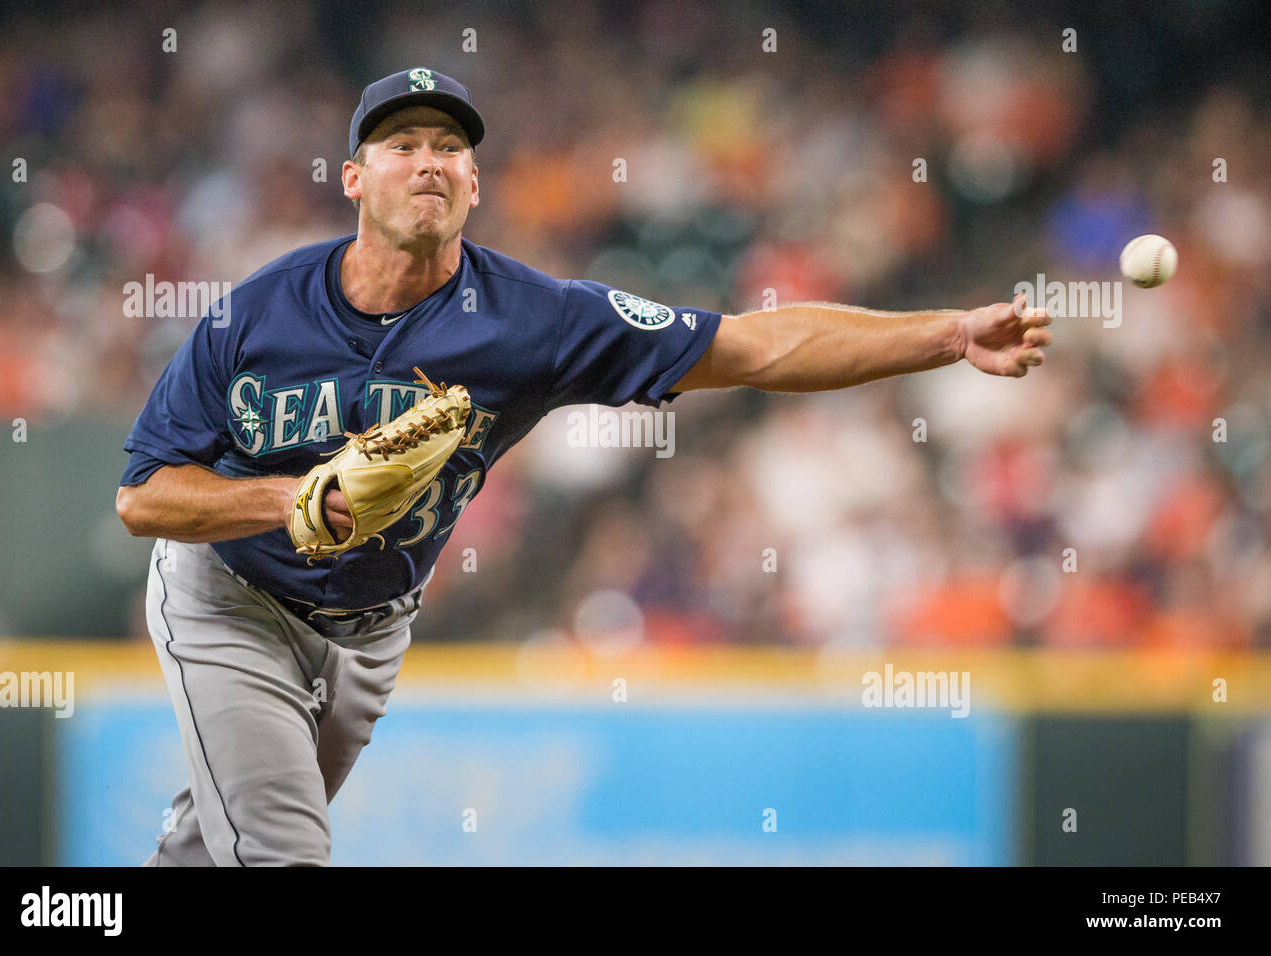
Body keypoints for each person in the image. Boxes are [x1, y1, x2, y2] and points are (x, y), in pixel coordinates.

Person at [115, 67, 1051, 866]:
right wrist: (290, 498)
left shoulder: (533, 322)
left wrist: (948, 333)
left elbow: (753, 349)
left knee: (210, 853)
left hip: (369, 632)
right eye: (402, 144)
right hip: (228, 600)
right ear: (354, 178)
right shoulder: (256, 313)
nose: (430, 160)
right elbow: (142, 498)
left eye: (450, 146)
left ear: (476, 183)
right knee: (282, 851)